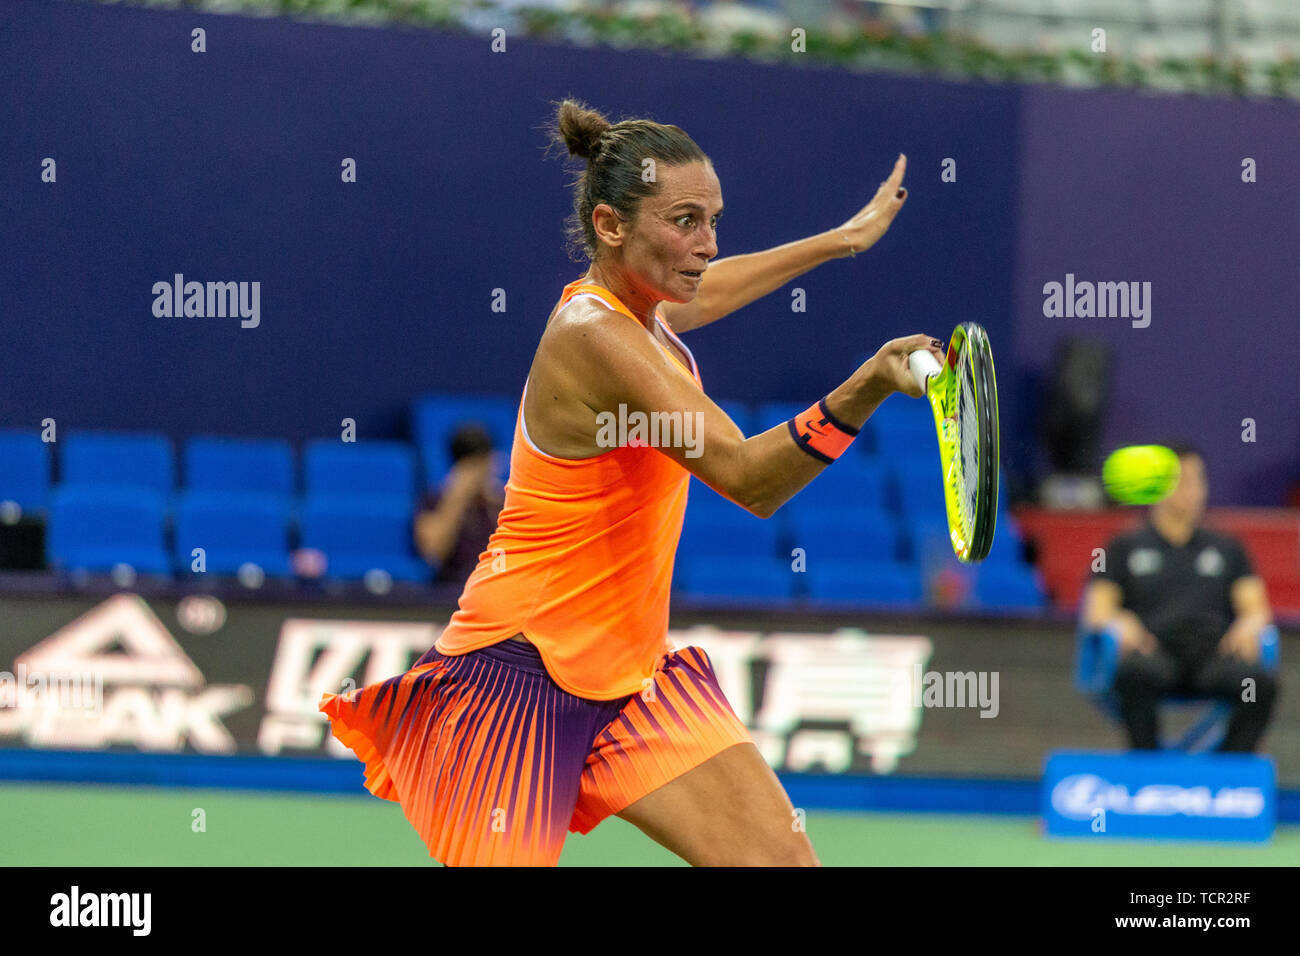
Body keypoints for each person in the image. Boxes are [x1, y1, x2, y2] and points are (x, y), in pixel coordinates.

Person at [319, 97, 943, 866]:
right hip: (514, 675)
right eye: (686, 222)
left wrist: (839, 241)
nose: (707, 245)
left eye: (714, 220)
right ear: (612, 225)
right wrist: (867, 386)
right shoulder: (594, 335)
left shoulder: (647, 312)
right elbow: (750, 480)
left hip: (631, 681)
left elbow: (711, 287)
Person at [1080, 442, 1278, 752]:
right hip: (1153, 654)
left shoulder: (1228, 547)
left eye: (1199, 480)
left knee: (1259, 684)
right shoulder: (1123, 546)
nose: (1193, 490)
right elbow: (1096, 611)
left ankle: (1226, 773)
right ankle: (1147, 764)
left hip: (1213, 656)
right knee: (1134, 675)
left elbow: (1257, 610)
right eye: (1183, 481)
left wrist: (1250, 624)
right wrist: (1120, 621)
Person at [413, 424, 505, 587]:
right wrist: (457, 497)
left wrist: (496, 504)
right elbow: (433, 552)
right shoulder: (433, 501)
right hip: (452, 590)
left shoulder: (502, 502)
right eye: (473, 467)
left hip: (497, 586)